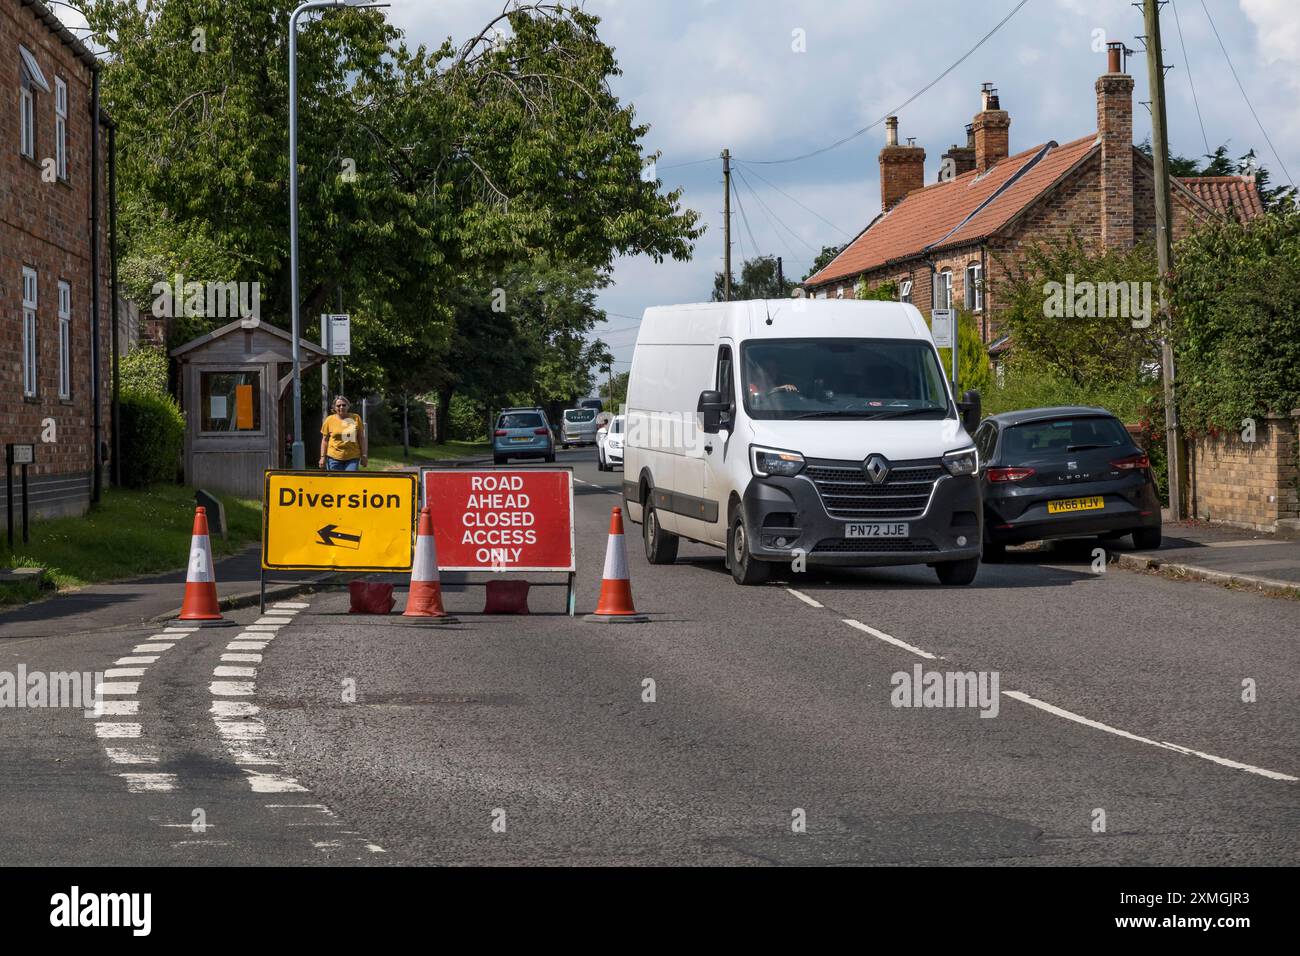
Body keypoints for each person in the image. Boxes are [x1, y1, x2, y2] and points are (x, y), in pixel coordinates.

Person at [319, 395, 367, 471]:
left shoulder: (356, 418)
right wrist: (322, 457)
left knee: (349, 481)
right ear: (335, 408)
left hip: (352, 457)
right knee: (335, 482)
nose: (341, 407)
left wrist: (364, 455)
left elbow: (361, 438)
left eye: (344, 405)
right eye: (338, 405)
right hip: (333, 458)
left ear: (348, 406)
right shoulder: (329, 420)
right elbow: (324, 440)